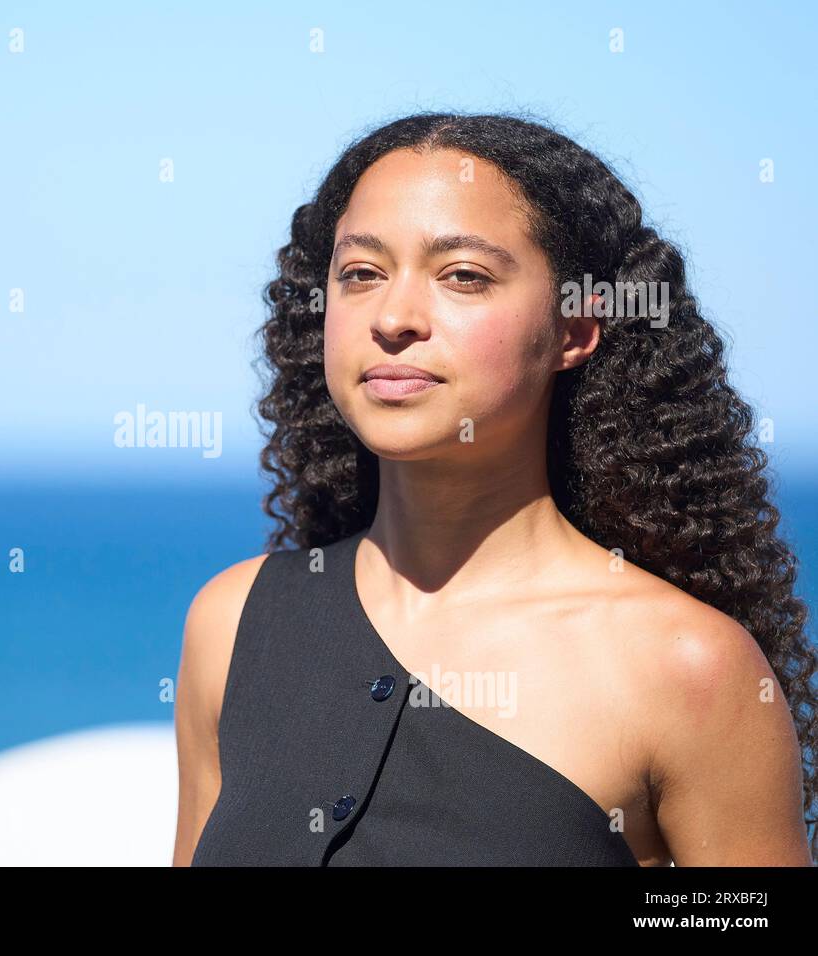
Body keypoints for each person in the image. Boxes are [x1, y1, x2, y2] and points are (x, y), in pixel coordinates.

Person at [173, 112, 816, 867]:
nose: (394, 318)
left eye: (464, 277)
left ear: (576, 329)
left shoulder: (689, 668)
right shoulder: (233, 624)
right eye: (361, 274)